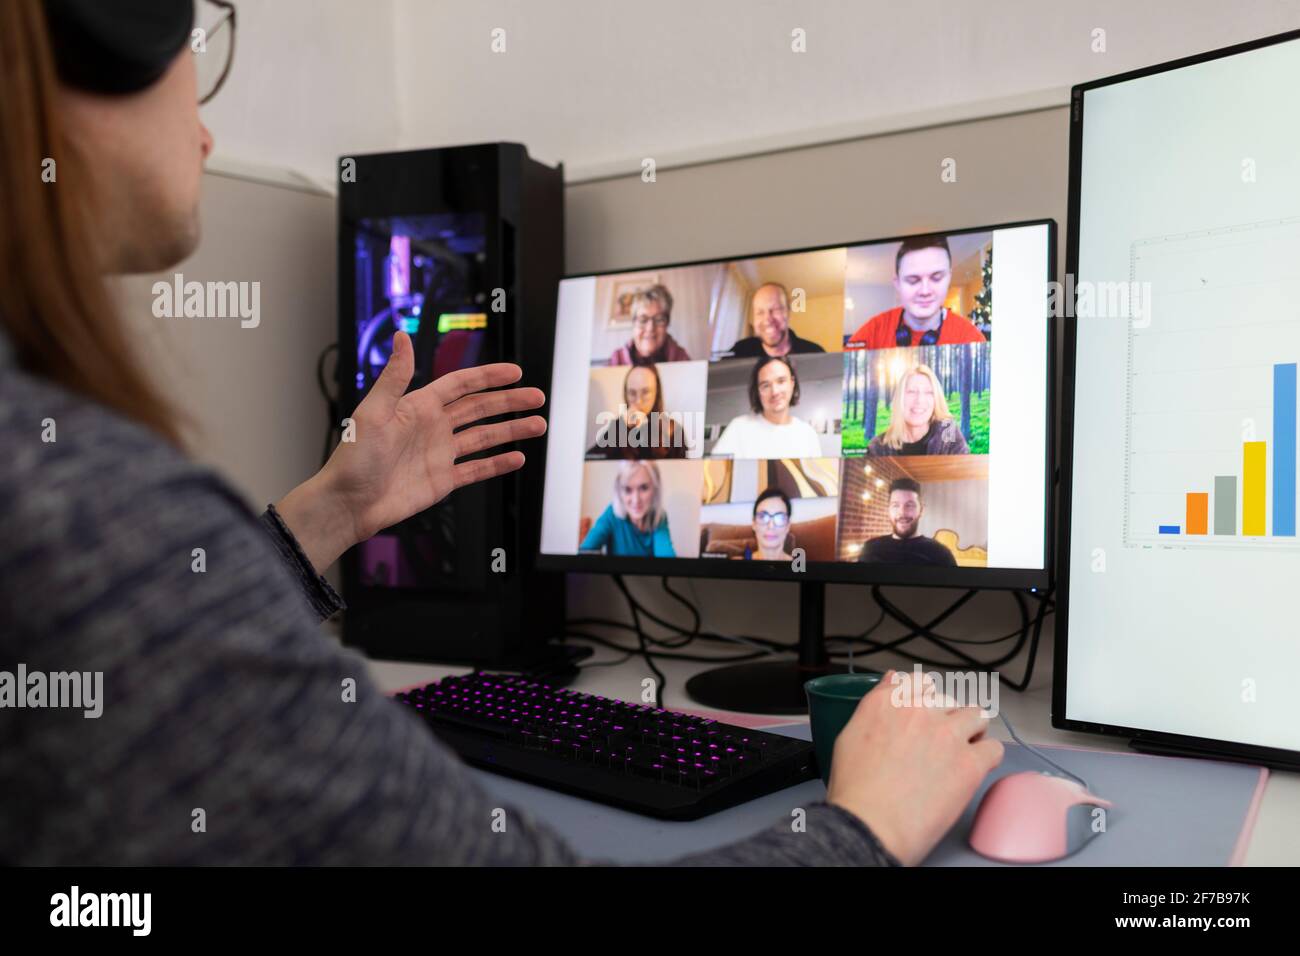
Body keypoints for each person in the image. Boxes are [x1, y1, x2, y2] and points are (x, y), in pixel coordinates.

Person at [0, 0, 1002, 866]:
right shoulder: (88, 508)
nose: (207, 128)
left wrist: (329, 510)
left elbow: (145, 623)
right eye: (196, 42)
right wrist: (863, 825)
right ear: (102, 33)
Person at [846, 236, 987, 349]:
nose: (925, 291)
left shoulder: (972, 339)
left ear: (949, 278)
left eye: (936, 278)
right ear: (897, 284)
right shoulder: (873, 331)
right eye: (913, 280)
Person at [710, 356, 823, 459]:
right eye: (766, 385)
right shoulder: (738, 428)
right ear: (758, 391)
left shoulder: (807, 434)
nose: (775, 392)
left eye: (781, 381)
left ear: (792, 383)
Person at [586, 364, 688, 460]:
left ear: (656, 393)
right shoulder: (618, 426)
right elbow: (590, 459)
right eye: (632, 393)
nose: (638, 401)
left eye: (645, 392)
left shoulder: (673, 430)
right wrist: (621, 427)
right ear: (626, 394)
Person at [867, 365, 970, 456]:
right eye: (911, 392)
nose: (920, 400)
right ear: (899, 398)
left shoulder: (948, 431)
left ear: (936, 400)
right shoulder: (877, 447)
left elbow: (965, 472)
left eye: (929, 392)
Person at [579, 461, 676, 557]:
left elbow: (667, 558)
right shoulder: (611, 514)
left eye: (644, 488)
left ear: (655, 489)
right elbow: (586, 551)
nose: (636, 500)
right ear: (619, 492)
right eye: (627, 490)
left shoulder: (659, 516)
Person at [858, 478, 958, 566]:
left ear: (921, 510)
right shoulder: (870, 548)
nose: (902, 513)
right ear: (888, 510)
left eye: (910, 505)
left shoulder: (940, 553)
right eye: (895, 505)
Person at [726, 282, 825, 358]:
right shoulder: (739, 352)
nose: (767, 319)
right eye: (760, 312)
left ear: (788, 312)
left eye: (776, 309)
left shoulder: (815, 353)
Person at [608, 284, 692, 365]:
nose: (650, 328)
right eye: (643, 320)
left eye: (659, 320)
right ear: (633, 324)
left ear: (667, 323)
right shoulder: (617, 359)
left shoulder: (681, 358)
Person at [742, 488, 795, 561]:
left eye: (779, 518)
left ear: (788, 526)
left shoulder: (799, 568)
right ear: (754, 524)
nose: (771, 526)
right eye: (763, 517)